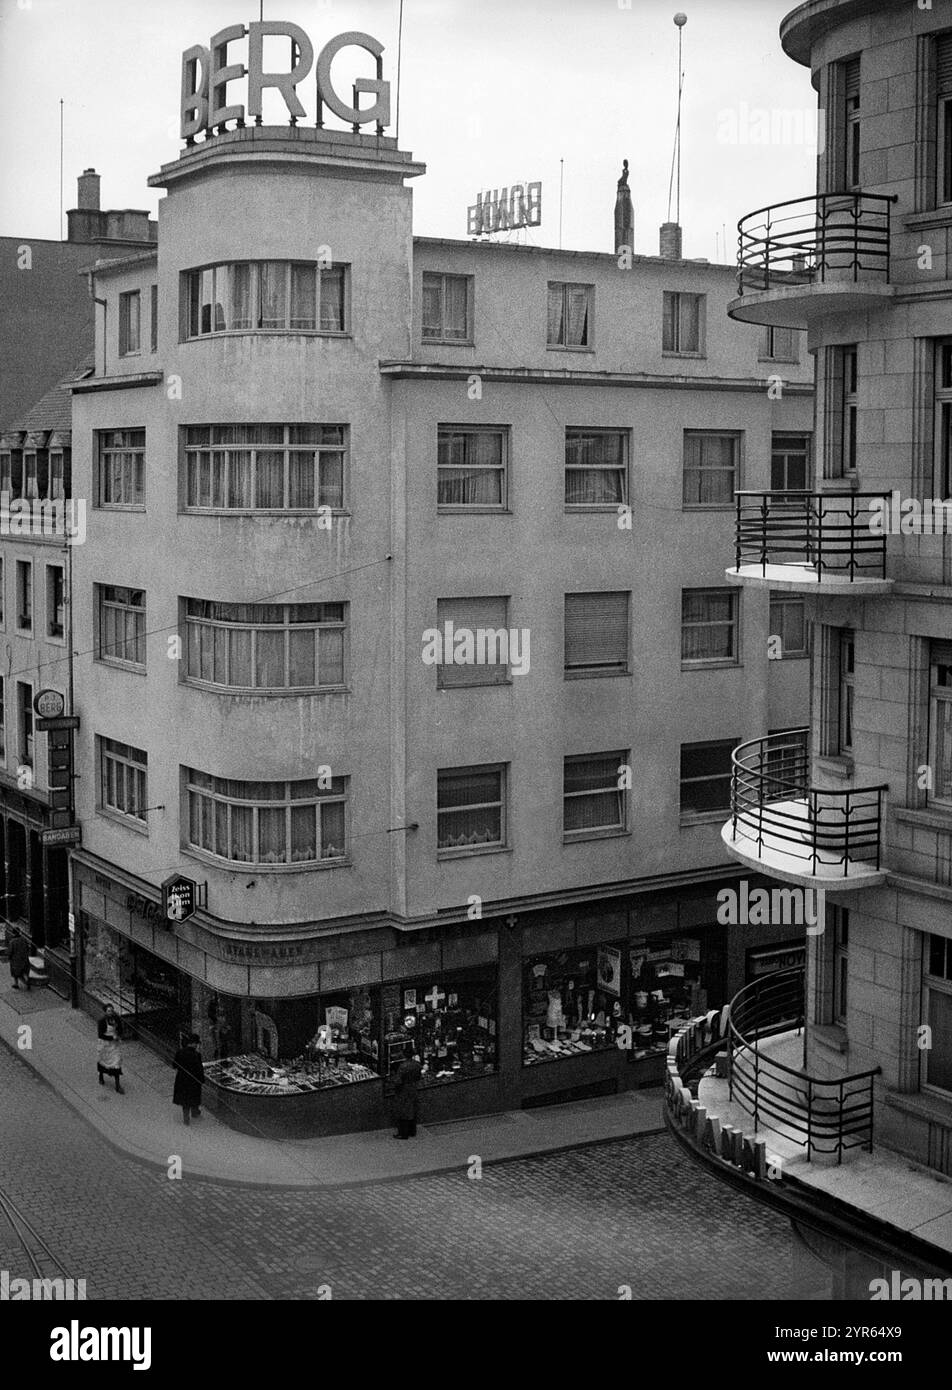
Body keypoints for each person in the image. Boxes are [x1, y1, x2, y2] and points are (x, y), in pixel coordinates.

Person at [391, 1041, 422, 1140]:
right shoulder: (417, 1065)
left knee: (403, 1112)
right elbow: (419, 1077)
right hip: (413, 1088)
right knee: (412, 1111)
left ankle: (403, 1133)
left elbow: (398, 1080)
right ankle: (412, 1131)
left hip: (404, 1090)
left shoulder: (403, 1066)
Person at [172, 1032, 205, 1125]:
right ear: (194, 1043)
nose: (197, 1046)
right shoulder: (196, 1055)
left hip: (181, 1079)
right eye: (197, 1044)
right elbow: (199, 1069)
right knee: (194, 1096)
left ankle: (186, 1118)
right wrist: (201, 1080)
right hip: (193, 1080)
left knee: (184, 1099)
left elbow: (174, 1065)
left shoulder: (179, 1052)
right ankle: (195, 1112)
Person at [96, 1004, 124, 1093]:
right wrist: (111, 1038)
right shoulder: (102, 1021)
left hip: (114, 1045)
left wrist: (119, 1035)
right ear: (105, 1012)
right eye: (108, 1011)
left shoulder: (116, 1019)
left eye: (111, 1010)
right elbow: (100, 1035)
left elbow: (120, 1029)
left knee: (117, 1062)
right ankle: (101, 1075)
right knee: (103, 1061)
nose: (111, 1012)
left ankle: (117, 1085)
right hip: (105, 1044)